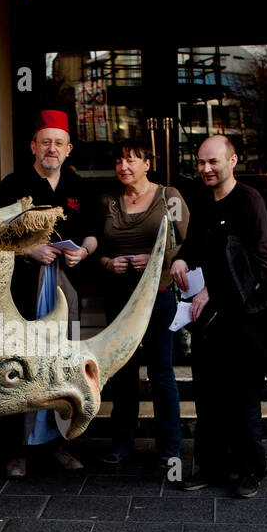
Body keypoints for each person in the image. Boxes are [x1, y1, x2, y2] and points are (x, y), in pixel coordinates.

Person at [171, 135, 267, 498]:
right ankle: (210, 466)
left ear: (233, 160)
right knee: (207, 397)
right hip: (207, 321)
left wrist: (213, 291)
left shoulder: (251, 202)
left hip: (242, 320)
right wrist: (181, 258)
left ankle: (250, 470)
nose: (205, 168)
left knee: (243, 397)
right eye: (201, 162)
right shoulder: (203, 201)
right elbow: (194, 244)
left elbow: (262, 263)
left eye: (213, 162)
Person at [0, 110, 99, 477]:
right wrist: (28, 251)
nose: (51, 149)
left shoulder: (78, 187)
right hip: (22, 290)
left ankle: (59, 445)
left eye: (59, 143)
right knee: (20, 363)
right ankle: (15, 450)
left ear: (68, 149)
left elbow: (94, 234)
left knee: (61, 364)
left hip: (64, 288)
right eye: (45, 142)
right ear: (33, 147)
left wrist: (83, 251)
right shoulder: (12, 185)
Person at [96, 138, 189, 468]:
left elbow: (187, 244)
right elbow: (98, 243)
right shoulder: (109, 200)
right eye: (120, 161)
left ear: (148, 164)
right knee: (121, 371)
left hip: (158, 295)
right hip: (120, 297)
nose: (124, 166)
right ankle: (121, 444)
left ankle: (170, 448)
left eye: (132, 160)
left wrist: (155, 258)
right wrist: (108, 263)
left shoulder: (169, 196)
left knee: (161, 371)